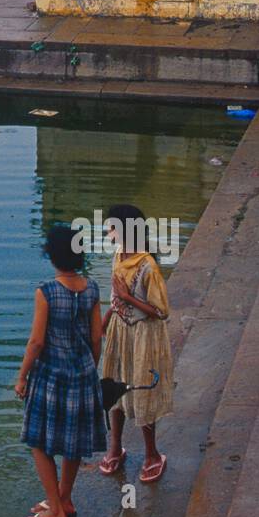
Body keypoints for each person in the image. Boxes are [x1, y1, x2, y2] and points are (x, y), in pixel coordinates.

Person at [16, 224, 107, 517]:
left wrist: (21, 377)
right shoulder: (92, 288)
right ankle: (65, 499)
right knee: (73, 443)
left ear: (51, 256)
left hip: (51, 377)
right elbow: (97, 337)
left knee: (37, 441)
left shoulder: (47, 292)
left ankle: (55, 511)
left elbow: (36, 342)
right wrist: (90, 367)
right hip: (83, 375)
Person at [99, 204, 173, 482]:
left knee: (142, 389)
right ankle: (115, 446)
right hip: (121, 330)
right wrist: (108, 315)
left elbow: (162, 311)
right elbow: (115, 294)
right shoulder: (119, 255)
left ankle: (152, 453)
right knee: (114, 387)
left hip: (143, 333)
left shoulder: (148, 267)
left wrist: (128, 299)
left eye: (113, 228)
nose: (110, 234)